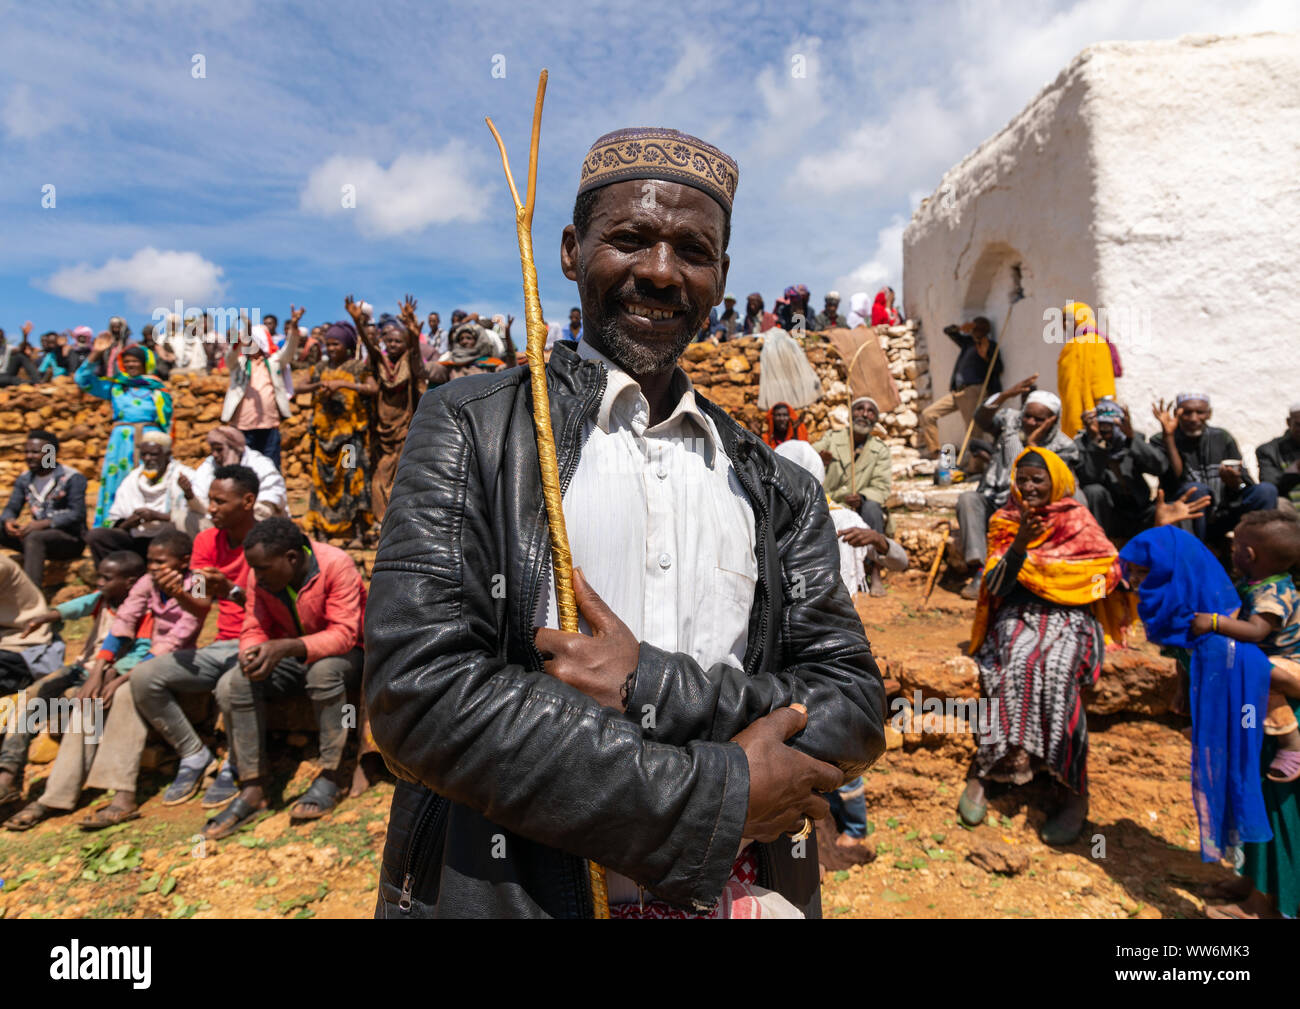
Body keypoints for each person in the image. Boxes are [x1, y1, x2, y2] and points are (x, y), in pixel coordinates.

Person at [365, 125, 884, 919]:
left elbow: (850, 701)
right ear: (572, 252)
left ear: (723, 275)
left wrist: (652, 686)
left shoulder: (777, 485)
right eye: (631, 240)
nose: (661, 272)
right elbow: (417, 694)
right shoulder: (474, 427)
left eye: (693, 251)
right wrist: (711, 800)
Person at [960, 448, 1132, 844]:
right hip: (1018, 615)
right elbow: (998, 585)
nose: (1029, 487)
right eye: (1023, 479)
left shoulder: (1078, 519)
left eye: (1038, 480)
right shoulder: (1005, 519)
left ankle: (1072, 789)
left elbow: (1106, 572)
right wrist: (1021, 545)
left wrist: (1060, 579)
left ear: (1055, 481)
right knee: (1015, 667)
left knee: (1056, 671)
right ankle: (990, 771)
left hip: (1072, 618)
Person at [1117, 527, 1276, 917]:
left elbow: (1244, 668)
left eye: (1143, 574)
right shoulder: (1183, 608)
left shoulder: (1216, 625)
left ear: (1174, 574)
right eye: (1133, 573)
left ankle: (1264, 906)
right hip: (1242, 718)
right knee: (1242, 791)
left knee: (1260, 798)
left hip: (1261, 725)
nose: (1134, 582)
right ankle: (1248, 881)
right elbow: (1185, 653)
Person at [203, 518, 366, 838]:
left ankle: (333, 774)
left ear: (292, 558)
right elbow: (253, 625)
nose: (257, 576)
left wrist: (286, 646)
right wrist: (251, 653)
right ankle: (253, 788)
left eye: (263, 569)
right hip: (291, 653)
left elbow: (345, 634)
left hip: (347, 656)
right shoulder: (260, 574)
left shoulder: (336, 565)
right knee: (234, 682)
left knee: (324, 672)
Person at [127, 465, 257, 808]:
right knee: (143, 677)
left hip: (261, 640)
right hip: (223, 644)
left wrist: (230, 590)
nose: (210, 507)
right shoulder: (205, 541)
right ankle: (194, 753)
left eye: (218, 501)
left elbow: (277, 604)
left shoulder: (270, 539)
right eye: (209, 500)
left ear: (248, 501)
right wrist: (180, 594)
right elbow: (200, 606)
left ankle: (236, 763)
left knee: (230, 687)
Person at [0, 550, 149, 813]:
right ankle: (8, 775)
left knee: (78, 704)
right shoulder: (104, 599)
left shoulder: (144, 611)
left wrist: (109, 674)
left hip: (104, 677)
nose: (99, 583)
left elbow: (142, 651)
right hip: (82, 667)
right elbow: (79, 605)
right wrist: (50, 615)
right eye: (99, 576)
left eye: (106, 578)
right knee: (32, 697)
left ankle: (56, 796)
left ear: (130, 583)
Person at [1186, 511, 1300, 783]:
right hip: (1266, 657)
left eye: (1234, 547)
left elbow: (1256, 631)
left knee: (1257, 672)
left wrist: (1215, 622)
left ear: (1249, 555)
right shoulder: (1252, 584)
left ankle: (1290, 742)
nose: (1231, 551)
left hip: (1290, 662)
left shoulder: (1274, 593)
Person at [955, 385, 1079, 599]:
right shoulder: (1010, 425)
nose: (1030, 423)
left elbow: (1043, 479)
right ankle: (982, 568)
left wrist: (1033, 445)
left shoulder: (1064, 446)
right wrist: (1004, 396)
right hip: (996, 498)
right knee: (968, 500)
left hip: (1034, 506)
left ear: (1053, 420)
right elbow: (982, 419)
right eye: (1027, 416)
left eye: (1039, 420)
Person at [1151, 393, 1277, 543]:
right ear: (1176, 413)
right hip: (1185, 515)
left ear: (1209, 414)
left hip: (1223, 512)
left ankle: (1262, 550)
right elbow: (1174, 477)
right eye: (1187, 413)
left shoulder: (1222, 437)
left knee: (1266, 491)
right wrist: (1169, 437)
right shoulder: (1161, 439)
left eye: (1200, 412)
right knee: (1197, 490)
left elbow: (1245, 483)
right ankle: (1195, 554)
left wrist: (1235, 483)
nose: (1193, 418)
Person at [75, 339, 172, 528]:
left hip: (151, 439)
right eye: (126, 361)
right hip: (121, 442)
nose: (130, 364)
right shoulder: (116, 387)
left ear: (145, 363)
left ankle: (150, 527)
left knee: (151, 478)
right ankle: (113, 526)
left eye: (135, 361)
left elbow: (168, 418)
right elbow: (82, 380)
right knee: (117, 480)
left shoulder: (157, 388)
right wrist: (95, 353)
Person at [348, 295, 427, 523]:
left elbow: (416, 356)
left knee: (402, 473)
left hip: (405, 426)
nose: (392, 345)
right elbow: (370, 346)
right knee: (380, 475)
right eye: (388, 341)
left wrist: (412, 330)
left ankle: (401, 519)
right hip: (383, 428)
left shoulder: (408, 363)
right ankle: (382, 520)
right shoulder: (380, 363)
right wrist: (358, 324)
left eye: (397, 341)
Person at [297, 322, 374, 547]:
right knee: (322, 483)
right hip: (323, 438)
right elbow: (299, 387)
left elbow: (372, 388)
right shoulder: (320, 368)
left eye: (335, 344)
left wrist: (343, 384)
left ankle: (355, 533)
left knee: (352, 478)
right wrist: (319, 384)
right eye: (328, 344)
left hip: (348, 439)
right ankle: (322, 531)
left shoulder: (357, 368)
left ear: (347, 346)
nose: (330, 349)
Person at [86, 430, 200, 563]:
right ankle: (111, 578)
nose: (147, 459)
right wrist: (130, 522)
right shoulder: (133, 479)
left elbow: (196, 518)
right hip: (138, 537)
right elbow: (118, 522)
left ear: (167, 455)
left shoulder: (185, 477)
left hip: (171, 540)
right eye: (144, 454)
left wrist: (157, 516)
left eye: (153, 454)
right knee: (97, 536)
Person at [0, 430, 87, 589]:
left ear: (50, 453)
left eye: (35, 452)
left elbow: (77, 514)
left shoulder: (72, 477)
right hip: (35, 539)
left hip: (68, 541)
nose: (29, 456)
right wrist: (9, 520)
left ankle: (31, 599)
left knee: (35, 536)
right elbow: (12, 507)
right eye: (27, 451)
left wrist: (45, 523)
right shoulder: (25, 479)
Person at [1074, 397, 1166, 541]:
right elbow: (1090, 477)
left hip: (1137, 509)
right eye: (1101, 426)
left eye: (1110, 426)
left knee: (1160, 510)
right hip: (1108, 512)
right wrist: (1096, 442)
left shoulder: (1129, 441)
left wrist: (1132, 438)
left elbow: (1159, 467)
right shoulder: (1083, 444)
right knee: (1094, 490)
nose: (1106, 431)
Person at [220, 309, 302, 469]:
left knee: (270, 468)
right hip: (242, 426)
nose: (249, 345)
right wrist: (247, 331)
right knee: (243, 469)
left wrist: (294, 325)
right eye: (247, 341)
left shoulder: (273, 363)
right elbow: (230, 355)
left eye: (252, 341)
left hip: (269, 426)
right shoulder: (238, 365)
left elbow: (290, 349)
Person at [918, 316, 1002, 459]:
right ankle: (936, 453)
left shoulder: (991, 346)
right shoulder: (968, 343)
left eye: (977, 328)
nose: (974, 331)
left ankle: (975, 467)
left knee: (973, 430)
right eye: (973, 328)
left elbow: (998, 367)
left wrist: (986, 355)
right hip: (957, 391)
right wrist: (960, 327)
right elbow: (948, 331)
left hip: (973, 391)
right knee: (928, 414)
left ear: (984, 330)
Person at [189, 426, 288, 522]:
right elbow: (202, 501)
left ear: (234, 448)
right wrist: (190, 495)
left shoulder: (261, 465)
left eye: (219, 450)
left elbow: (269, 503)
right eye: (212, 450)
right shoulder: (208, 466)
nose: (214, 455)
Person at [1055, 301, 1116, 439]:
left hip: (1092, 411)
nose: (1065, 324)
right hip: (1071, 410)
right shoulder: (1070, 346)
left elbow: (1102, 380)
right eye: (1063, 320)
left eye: (1069, 319)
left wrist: (1104, 412)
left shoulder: (1096, 343)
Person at [1256, 404, 1300, 509]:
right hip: (1289, 514)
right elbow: (1270, 487)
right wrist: (1296, 469)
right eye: (1299, 424)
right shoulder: (1269, 451)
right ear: (1289, 422)